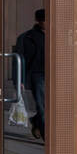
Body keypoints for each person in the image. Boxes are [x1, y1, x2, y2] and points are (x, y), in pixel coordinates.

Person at [14, 9, 45, 141]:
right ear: (39, 21)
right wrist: (19, 79)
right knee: (43, 106)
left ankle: (36, 121)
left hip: (59, 75)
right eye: (45, 20)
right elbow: (19, 59)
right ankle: (47, 137)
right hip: (38, 75)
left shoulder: (60, 34)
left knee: (57, 106)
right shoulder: (26, 37)